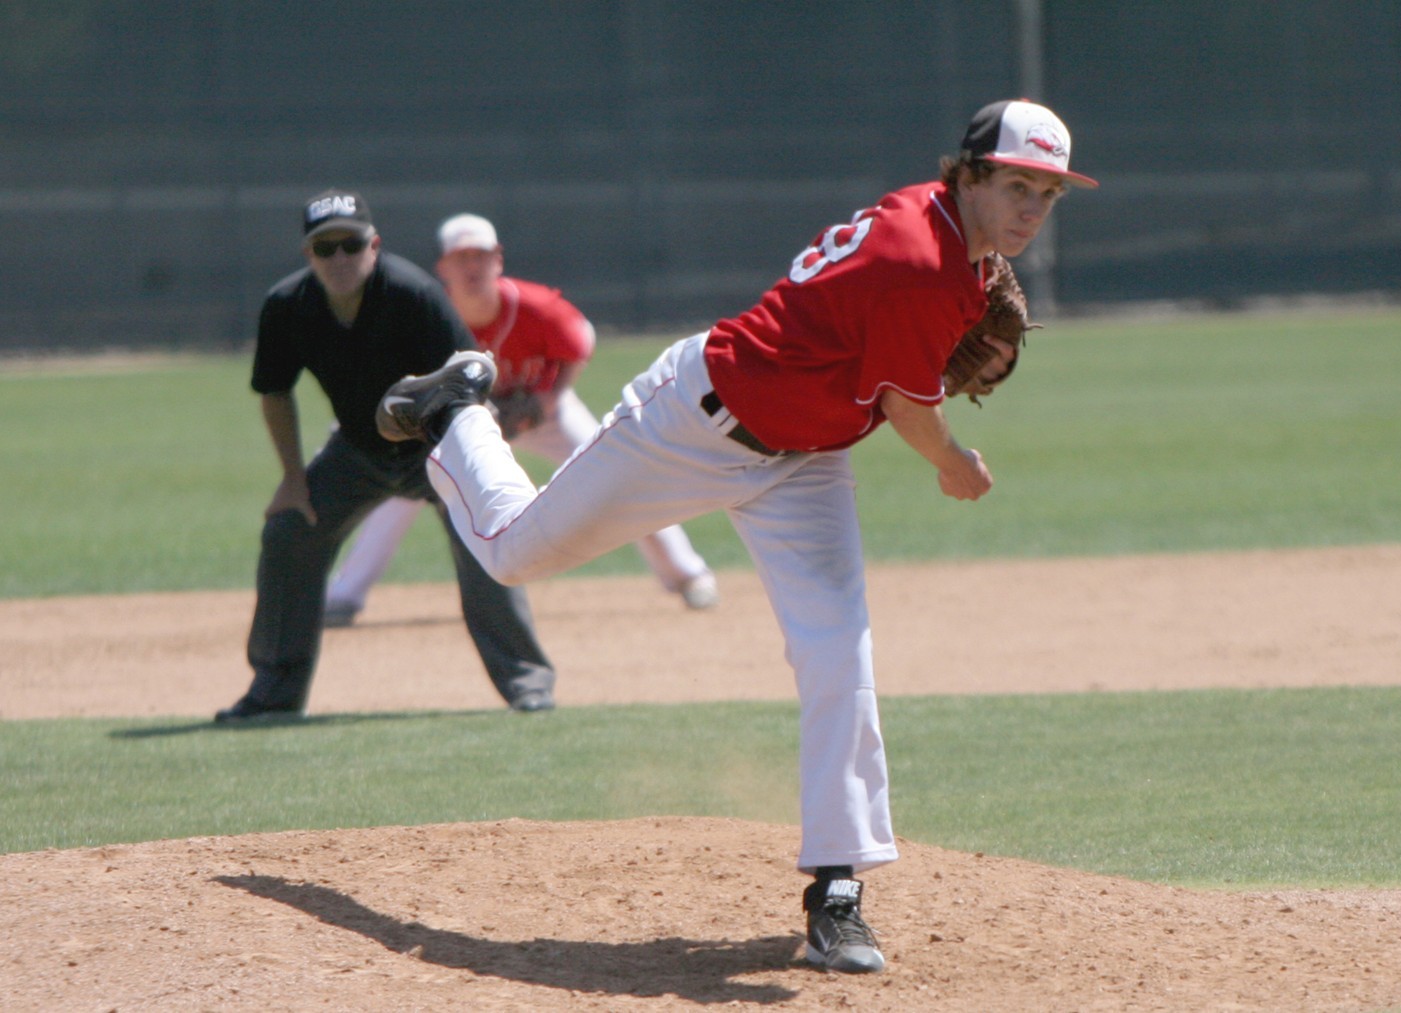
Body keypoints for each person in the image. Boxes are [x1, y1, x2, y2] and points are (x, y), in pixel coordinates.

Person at [376, 100, 1096, 972]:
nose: (1031, 208)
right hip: (692, 423)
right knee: (514, 552)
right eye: (1016, 184)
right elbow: (911, 405)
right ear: (969, 173)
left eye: (1048, 194)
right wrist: (955, 465)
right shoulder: (923, 262)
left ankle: (838, 891)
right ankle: (456, 409)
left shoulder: (948, 244)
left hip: (808, 457)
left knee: (839, 651)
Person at [215, 190, 560, 722]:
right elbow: (274, 391)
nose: (339, 258)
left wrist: (479, 458)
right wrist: (291, 477)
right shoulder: (287, 306)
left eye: (350, 244)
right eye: (323, 247)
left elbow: (470, 376)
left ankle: (526, 682)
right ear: (308, 255)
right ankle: (273, 693)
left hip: (438, 450)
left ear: (373, 245)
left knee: (487, 542)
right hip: (357, 451)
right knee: (289, 530)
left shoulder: (413, 294)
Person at [322, 214, 719, 627]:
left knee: (616, 470)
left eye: (480, 255)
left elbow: (579, 342)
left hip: (543, 417)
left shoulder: (536, 307)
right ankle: (345, 596)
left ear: (498, 260)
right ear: (444, 268)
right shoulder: (427, 315)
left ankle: (688, 574)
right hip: (461, 422)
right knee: (401, 493)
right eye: (461, 258)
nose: (472, 266)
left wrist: (549, 399)